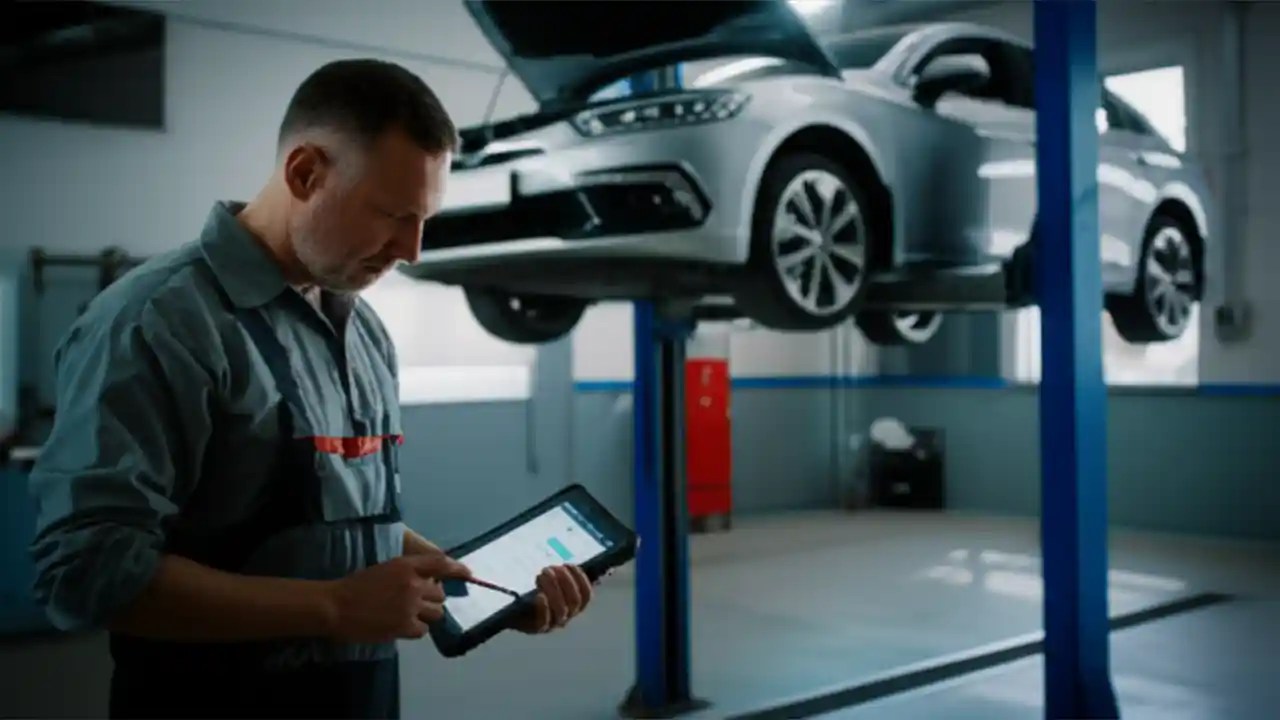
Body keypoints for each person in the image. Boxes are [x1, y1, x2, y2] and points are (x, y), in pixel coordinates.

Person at [27, 58, 593, 719]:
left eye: (425, 220)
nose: (411, 249)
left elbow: (331, 519)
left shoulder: (362, 328)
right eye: (391, 214)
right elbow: (85, 572)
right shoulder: (156, 323)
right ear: (305, 174)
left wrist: (466, 587)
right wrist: (334, 606)